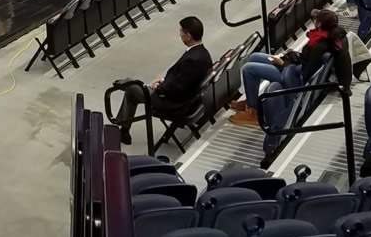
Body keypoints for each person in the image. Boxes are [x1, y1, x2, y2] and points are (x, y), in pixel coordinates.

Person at [232, 10, 346, 126]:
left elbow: (304, 75)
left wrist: (283, 64)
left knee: (248, 69)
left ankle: (254, 113)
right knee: (254, 57)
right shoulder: (327, 37)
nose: (313, 21)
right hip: (294, 67)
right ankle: (252, 101)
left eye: (316, 20)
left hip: (294, 78)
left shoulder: (320, 47)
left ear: (320, 24)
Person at [110, 16, 213, 144]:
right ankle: (123, 128)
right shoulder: (204, 53)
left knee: (132, 88)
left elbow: (175, 89)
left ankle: (123, 125)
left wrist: (159, 87)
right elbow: (182, 79)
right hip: (184, 97)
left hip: (173, 103)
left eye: (181, 32)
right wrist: (164, 80)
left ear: (188, 36)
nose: (179, 34)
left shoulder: (192, 59)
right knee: (132, 87)